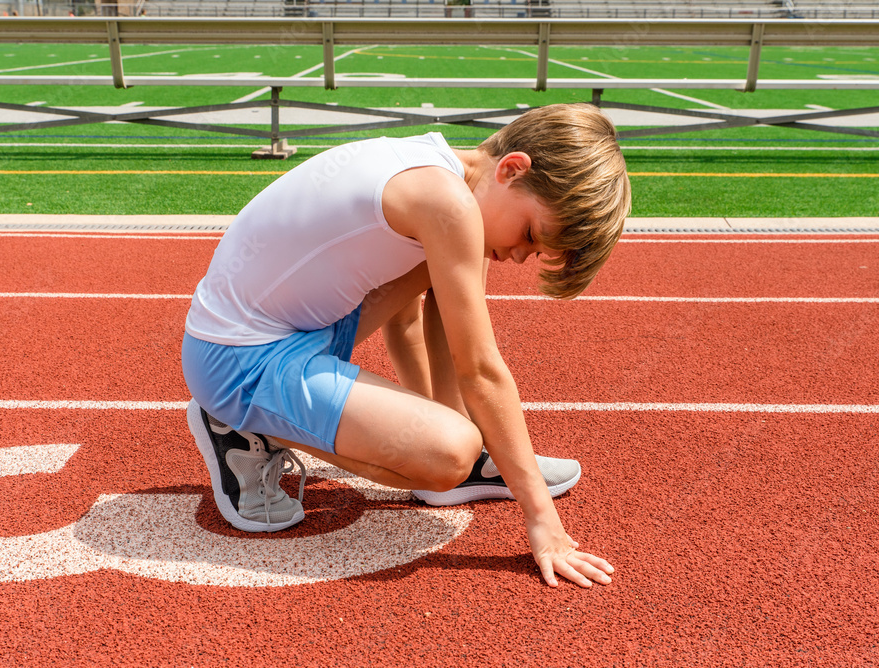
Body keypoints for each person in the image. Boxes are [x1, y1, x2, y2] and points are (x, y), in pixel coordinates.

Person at [182, 103, 630, 588]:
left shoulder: (435, 167)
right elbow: (480, 369)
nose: (522, 257)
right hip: (236, 361)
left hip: (289, 331)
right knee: (448, 454)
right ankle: (242, 426)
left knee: (453, 435)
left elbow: (407, 319)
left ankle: (470, 458)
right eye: (530, 234)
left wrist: (447, 425)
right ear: (511, 168)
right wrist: (542, 519)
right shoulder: (446, 204)